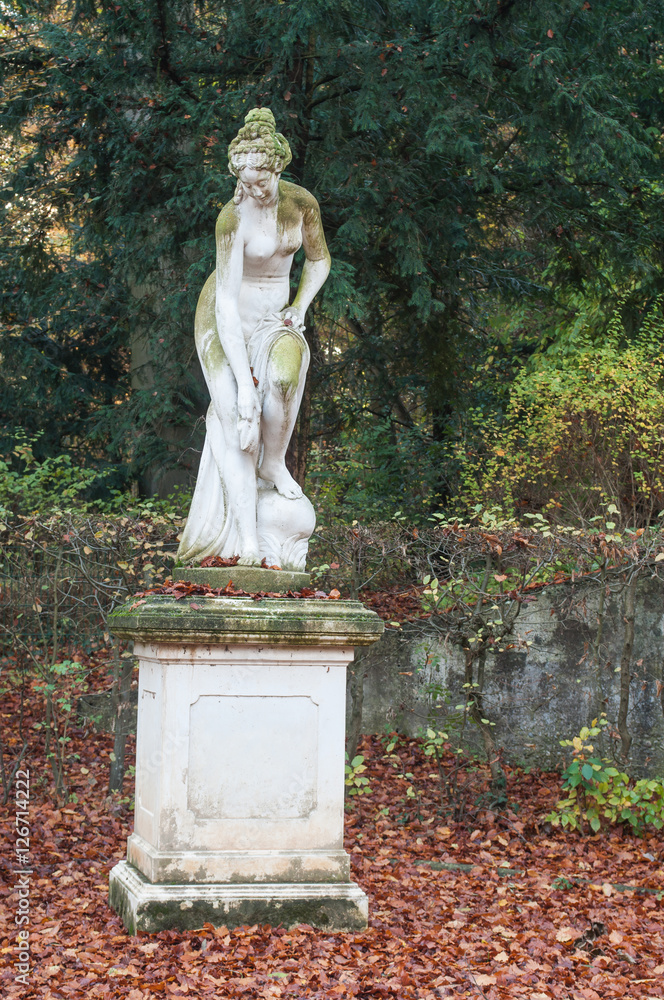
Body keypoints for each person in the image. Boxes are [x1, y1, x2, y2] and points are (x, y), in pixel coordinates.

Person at [177, 108, 330, 567]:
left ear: (277, 170)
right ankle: (247, 541)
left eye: (259, 180)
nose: (251, 189)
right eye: (242, 180)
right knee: (238, 423)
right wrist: (244, 386)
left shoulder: (300, 203)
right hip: (223, 320)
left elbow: (320, 262)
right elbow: (225, 303)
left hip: (274, 317)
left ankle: (274, 462)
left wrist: (298, 308)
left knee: (283, 382)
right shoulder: (232, 218)